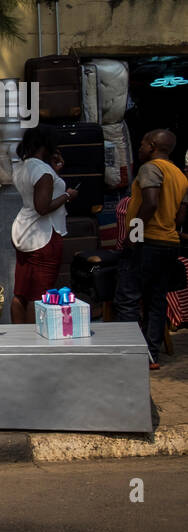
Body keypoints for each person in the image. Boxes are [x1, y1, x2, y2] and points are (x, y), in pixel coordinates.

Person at [115, 129, 188, 369]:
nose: (139, 148)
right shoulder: (180, 175)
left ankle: (133, 356)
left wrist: (133, 236)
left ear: (153, 145)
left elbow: (151, 202)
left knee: (128, 298)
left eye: (143, 143)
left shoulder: (150, 168)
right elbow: (180, 216)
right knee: (157, 300)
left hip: (147, 243)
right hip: (168, 243)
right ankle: (151, 356)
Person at [9, 127, 77, 324]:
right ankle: (33, 343)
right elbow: (43, 207)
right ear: (46, 146)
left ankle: (18, 339)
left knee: (21, 293)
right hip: (44, 236)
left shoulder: (22, 167)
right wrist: (67, 196)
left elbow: (37, 194)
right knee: (39, 296)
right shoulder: (43, 171)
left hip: (23, 231)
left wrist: (54, 173)